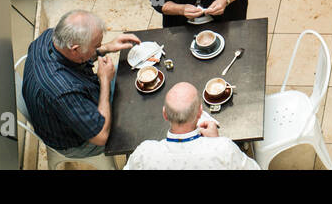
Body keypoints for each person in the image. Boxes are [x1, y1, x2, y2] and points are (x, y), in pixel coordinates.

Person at [20, 9, 140, 158]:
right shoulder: (64, 90)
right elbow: (100, 136)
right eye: (96, 46)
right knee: (135, 121)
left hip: (71, 105)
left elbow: (78, 56)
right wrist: (104, 82)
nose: (99, 47)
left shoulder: (50, 37)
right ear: (75, 50)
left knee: (128, 75)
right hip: (78, 143)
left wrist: (108, 48)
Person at [124, 82, 261, 170]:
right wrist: (216, 142)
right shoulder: (224, 150)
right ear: (200, 112)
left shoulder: (145, 153)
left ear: (165, 114)